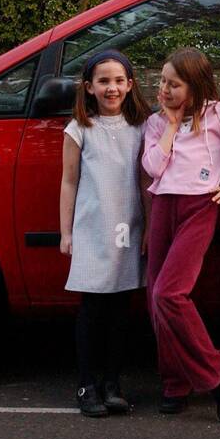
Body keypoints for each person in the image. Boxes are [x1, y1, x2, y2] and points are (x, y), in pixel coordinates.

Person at [141, 47, 220, 422]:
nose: (164, 89)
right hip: (163, 206)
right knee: (155, 299)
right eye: (162, 82)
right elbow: (153, 168)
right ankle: (175, 382)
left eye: (174, 84)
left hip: (200, 206)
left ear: (195, 85)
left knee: (170, 293)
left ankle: (218, 369)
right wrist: (171, 125)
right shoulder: (156, 122)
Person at [59, 50, 152, 417]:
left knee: (120, 310)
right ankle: (87, 384)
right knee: (93, 308)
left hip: (129, 228)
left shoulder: (141, 127)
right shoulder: (79, 128)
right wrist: (66, 232)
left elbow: (144, 181)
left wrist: (149, 225)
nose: (111, 88)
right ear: (89, 87)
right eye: (103, 81)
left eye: (118, 81)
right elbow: (69, 181)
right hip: (93, 229)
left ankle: (112, 384)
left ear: (130, 85)